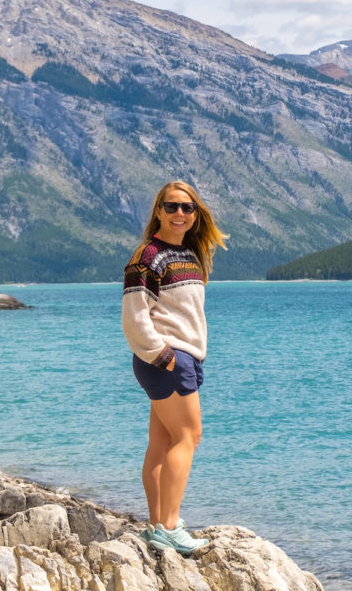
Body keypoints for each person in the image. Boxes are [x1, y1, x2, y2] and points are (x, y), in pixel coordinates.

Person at [122, 180, 225, 555]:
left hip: (181, 358)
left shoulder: (189, 257)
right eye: (171, 206)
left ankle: (156, 525)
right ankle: (168, 526)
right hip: (167, 359)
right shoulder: (147, 257)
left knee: (162, 442)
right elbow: (134, 318)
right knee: (189, 437)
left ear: (196, 214)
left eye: (187, 207)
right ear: (158, 212)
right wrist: (162, 356)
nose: (179, 213)